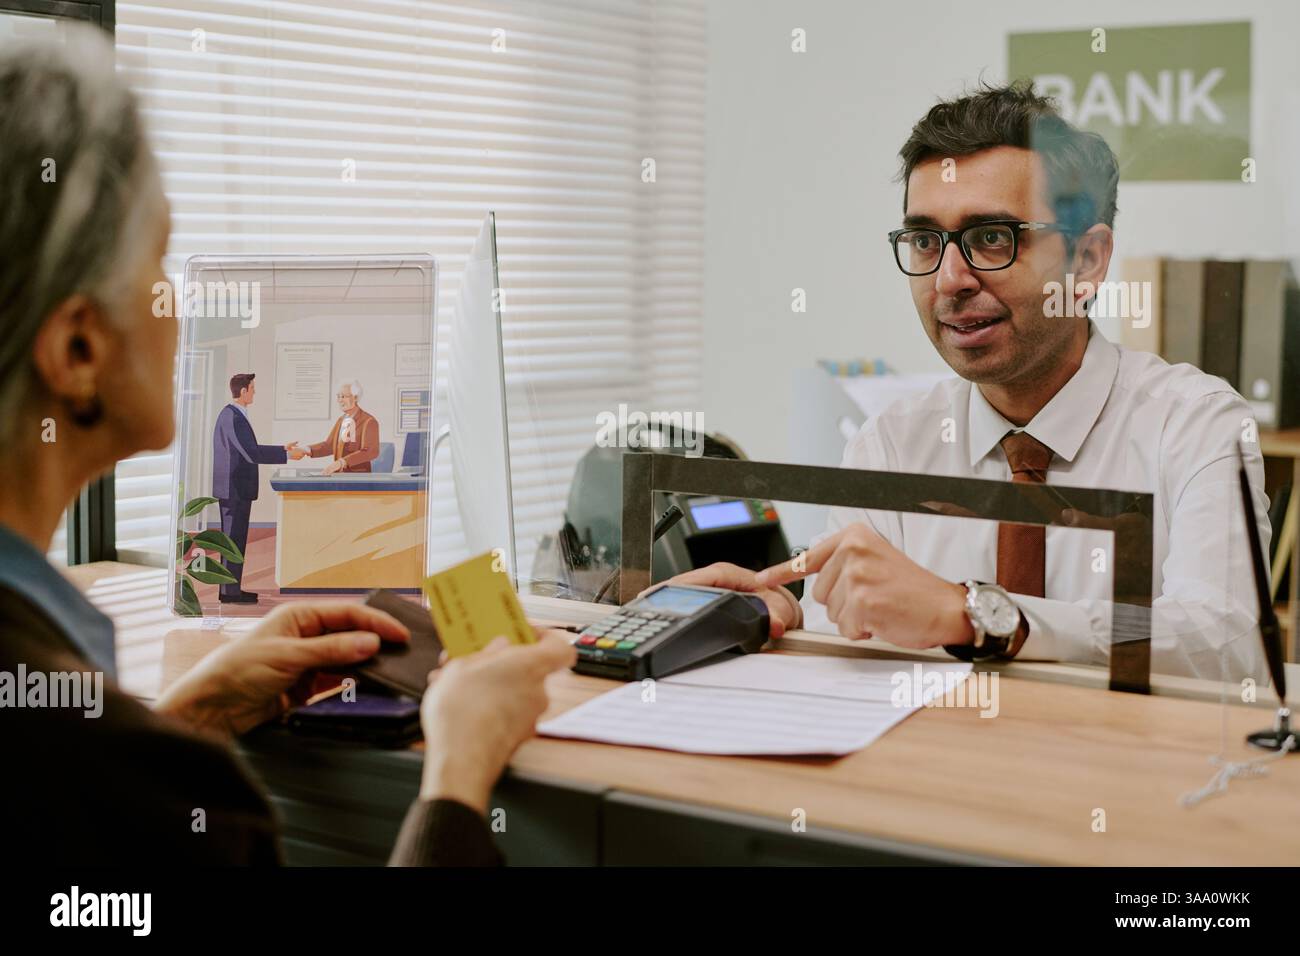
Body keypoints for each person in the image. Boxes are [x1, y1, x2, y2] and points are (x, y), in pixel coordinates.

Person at [0, 27, 574, 866]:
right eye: (158, 260)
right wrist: (456, 779)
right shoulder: (99, 773)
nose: (180, 303)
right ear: (79, 350)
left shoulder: (79, 747)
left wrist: (188, 720)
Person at [676, 82, 1269, 681]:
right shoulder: (892, 445)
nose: (949, 280)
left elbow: (1222, 640)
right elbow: (855, 634)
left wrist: (978, 614)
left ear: (1086, 261)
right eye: (926, 241)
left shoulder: (1197, 425)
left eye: (992, 237)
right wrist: (779, 615)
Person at [212, 372, 296, 603]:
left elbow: (249, 448)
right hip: (234, 490)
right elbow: (251, 453)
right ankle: (229, 593)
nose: (255, 393)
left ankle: (230, 590)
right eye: (253, 389)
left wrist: (283, 448)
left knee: (235, 540)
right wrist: (286, 454)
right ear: (243, 391)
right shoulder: (233, 417)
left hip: (235, 489)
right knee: (232, 541)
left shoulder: (233, 415)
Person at [290, 379, 380, 475]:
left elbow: (370, 451)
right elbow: (329, 446)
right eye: (338, 396)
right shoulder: (342, 420)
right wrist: (306, 449)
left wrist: (341, 463)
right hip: (339, 476)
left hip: (358, 478)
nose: (340, 400)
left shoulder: (369, 421)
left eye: (344, 396)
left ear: (356, 398)